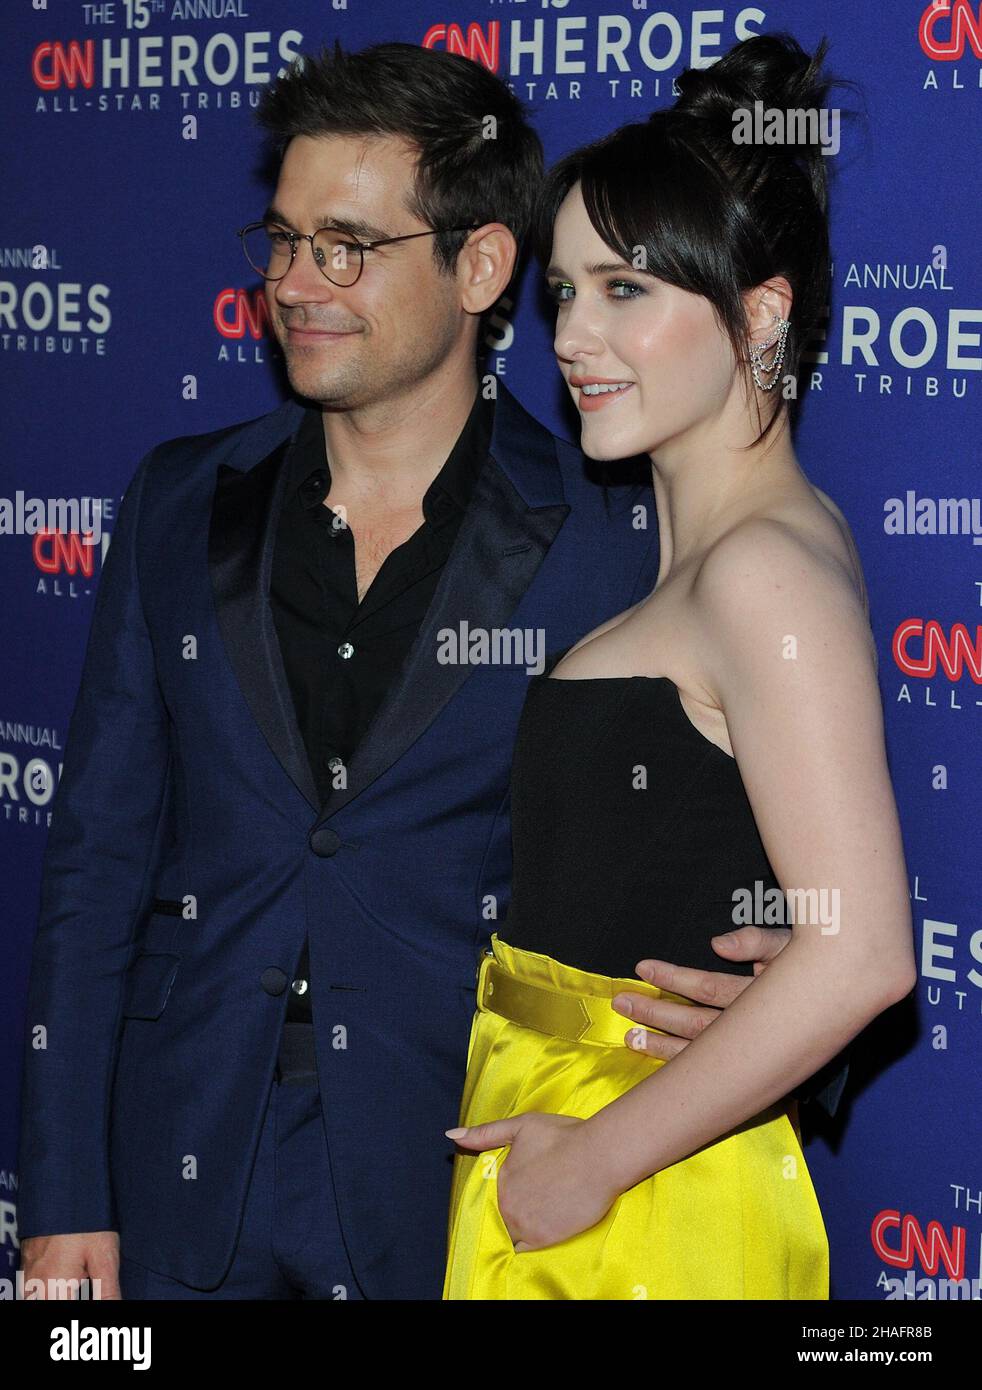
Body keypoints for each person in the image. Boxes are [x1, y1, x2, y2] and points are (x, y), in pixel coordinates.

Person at [16, 41, 843, 1304]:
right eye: (283, 239)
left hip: (458, 1182)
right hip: (174, 1170)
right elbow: (93, 868)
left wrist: (779, 1012)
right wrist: (63, 1197)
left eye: (348, 244)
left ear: (480, 265)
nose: (298, 281)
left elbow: (757, 847)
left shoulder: (617, 535)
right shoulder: (179, 499)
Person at [442, 32, 916, 1301]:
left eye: (628, 291)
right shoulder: (719, 556)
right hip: (606, 1156)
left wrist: (593, 1160)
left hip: (639, 1200)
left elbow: (864, 948)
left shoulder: (761, 570)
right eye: (564, 291)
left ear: (759, 313)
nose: (575, 336)